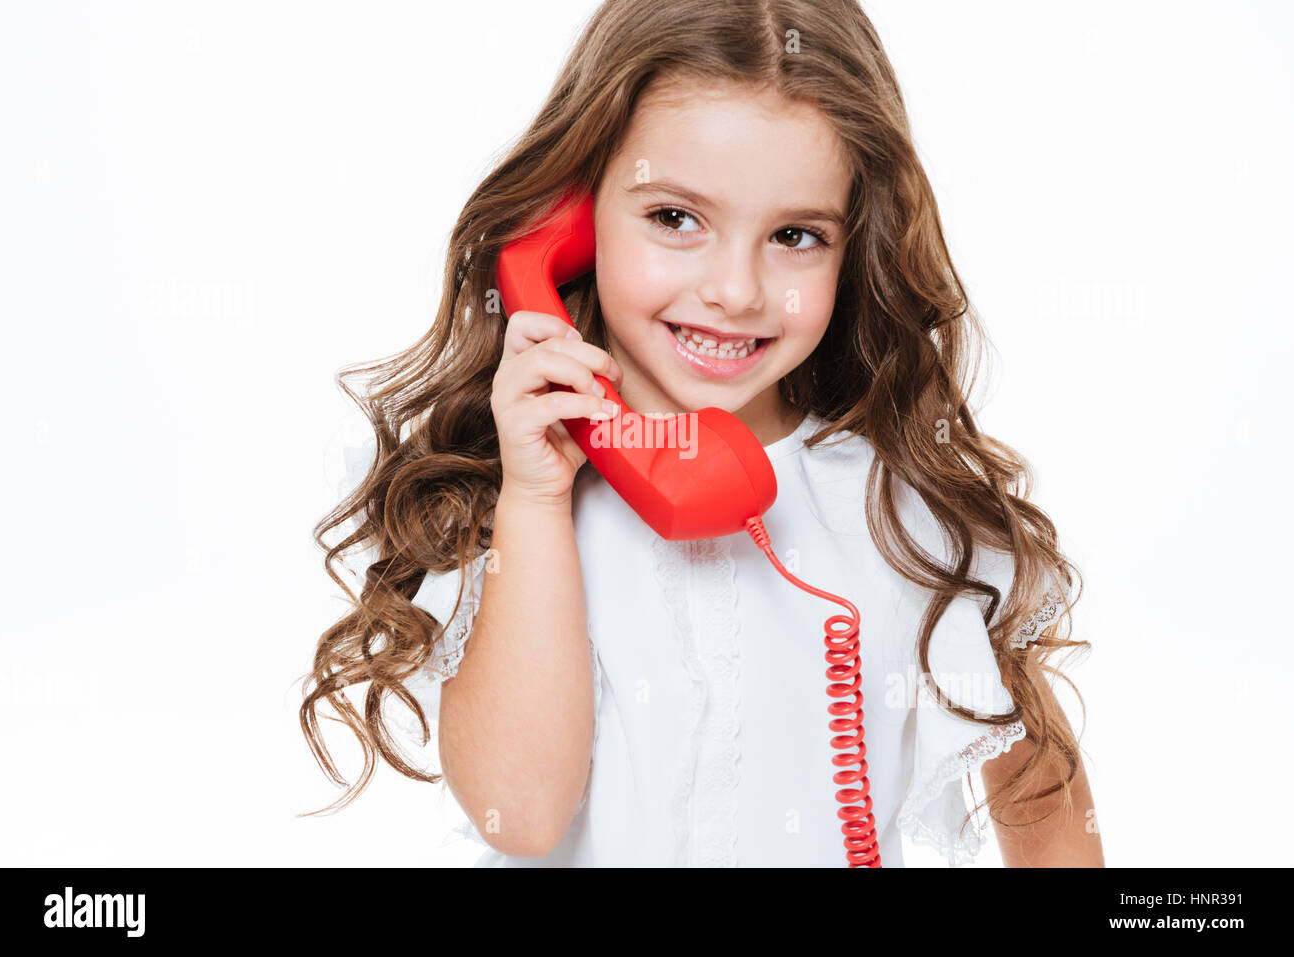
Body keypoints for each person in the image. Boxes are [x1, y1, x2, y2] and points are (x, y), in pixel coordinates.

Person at [302, 0, 1101, 868]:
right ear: (572, 217)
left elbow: (1043, 802)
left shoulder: (903, 508)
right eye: (675, 218)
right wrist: (535, 501)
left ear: (852, 246)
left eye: (795, 235)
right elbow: (519, 815)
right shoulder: (516, 505)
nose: (735, 289)